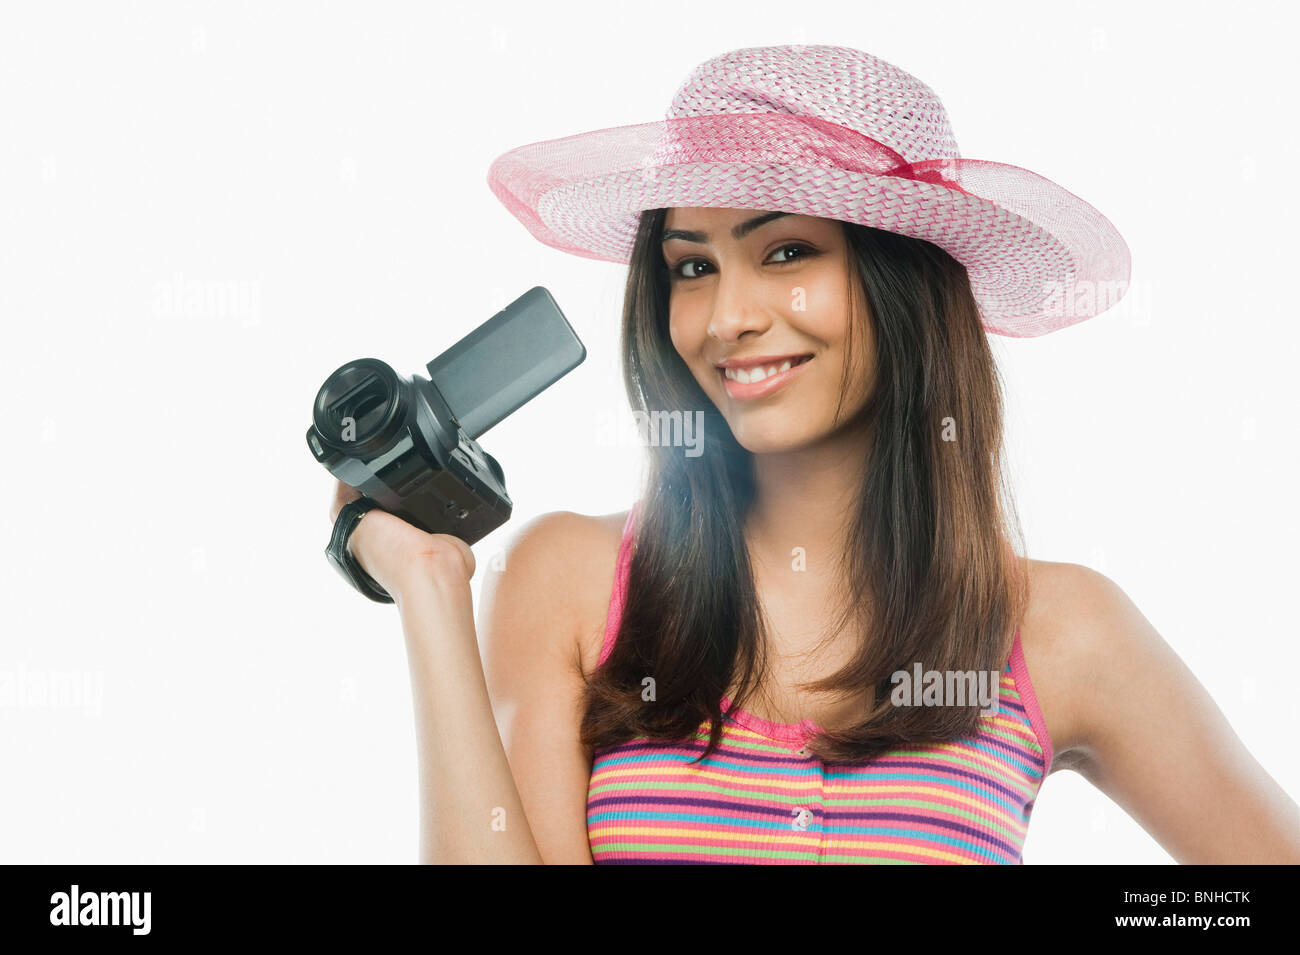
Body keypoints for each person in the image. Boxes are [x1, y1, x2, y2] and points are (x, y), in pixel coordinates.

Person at [326, 44, 1300, 864]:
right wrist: (429, 585)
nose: (728, 317)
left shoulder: (1061, 630)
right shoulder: (573, 580)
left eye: (786, 251)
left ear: (901, 282)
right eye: (692, 267)